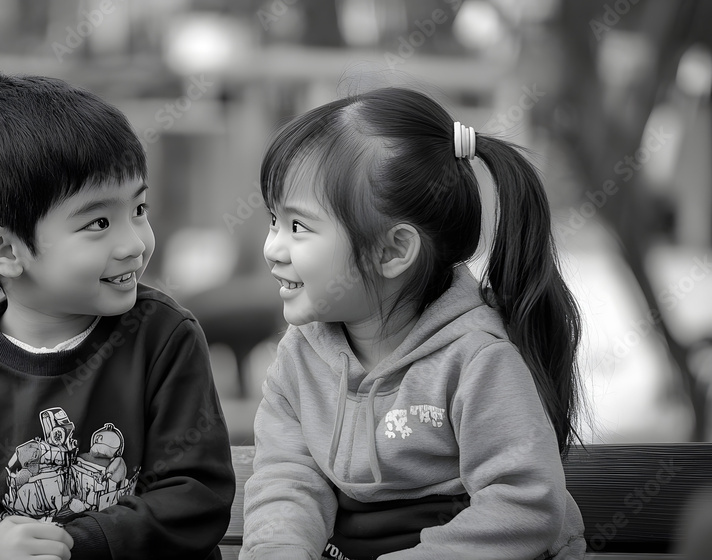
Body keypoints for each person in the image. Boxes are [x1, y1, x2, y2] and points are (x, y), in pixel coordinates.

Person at [0, 74, 234, 560]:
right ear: (4, 249)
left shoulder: (164, 338)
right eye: (98, 222)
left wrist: (76, 545)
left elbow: (196, 494)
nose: (134, 243)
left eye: (139, 208)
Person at [239, 87, 586, 559]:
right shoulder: (299, 357)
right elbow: (287, 478)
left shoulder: (476, 361)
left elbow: (524, 503)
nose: (272, 248)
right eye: (273, 220)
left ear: (393, 251)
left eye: (298, 227)